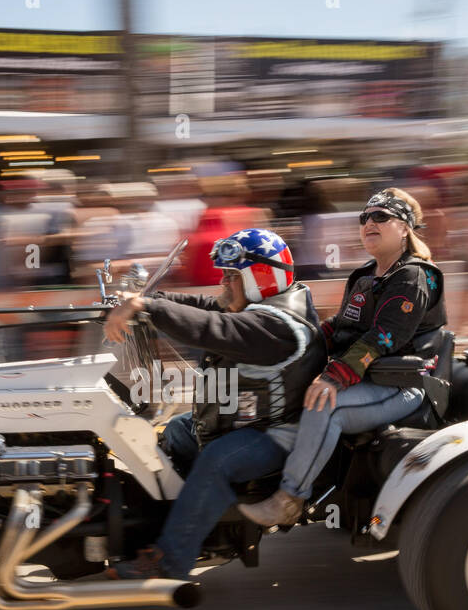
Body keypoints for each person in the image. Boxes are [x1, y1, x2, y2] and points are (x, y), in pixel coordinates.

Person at [99, 228, 326, 580]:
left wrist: (149, 307)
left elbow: (213, 327)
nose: (223, 282)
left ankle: (170, 560)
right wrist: (147, 300)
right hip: (239, 422)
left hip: (276, 433)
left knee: (217, 461)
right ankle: (174, 529)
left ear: (260, 277)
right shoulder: (260, 304)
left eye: (232, 276)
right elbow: (206, 306)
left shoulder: (279, 327)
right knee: (174, 432)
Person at [238, 188, 447, 527]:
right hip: (367, 378)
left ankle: (290, 497)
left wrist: (333, 376)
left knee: (324, 404)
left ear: (405, 228)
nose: (369, 223)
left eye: (381, 217)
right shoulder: (366, 275)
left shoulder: (413, 276)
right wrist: (298, 344)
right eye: (364, 218)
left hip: (400, 384)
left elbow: (384, 337)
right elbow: (340, 326)